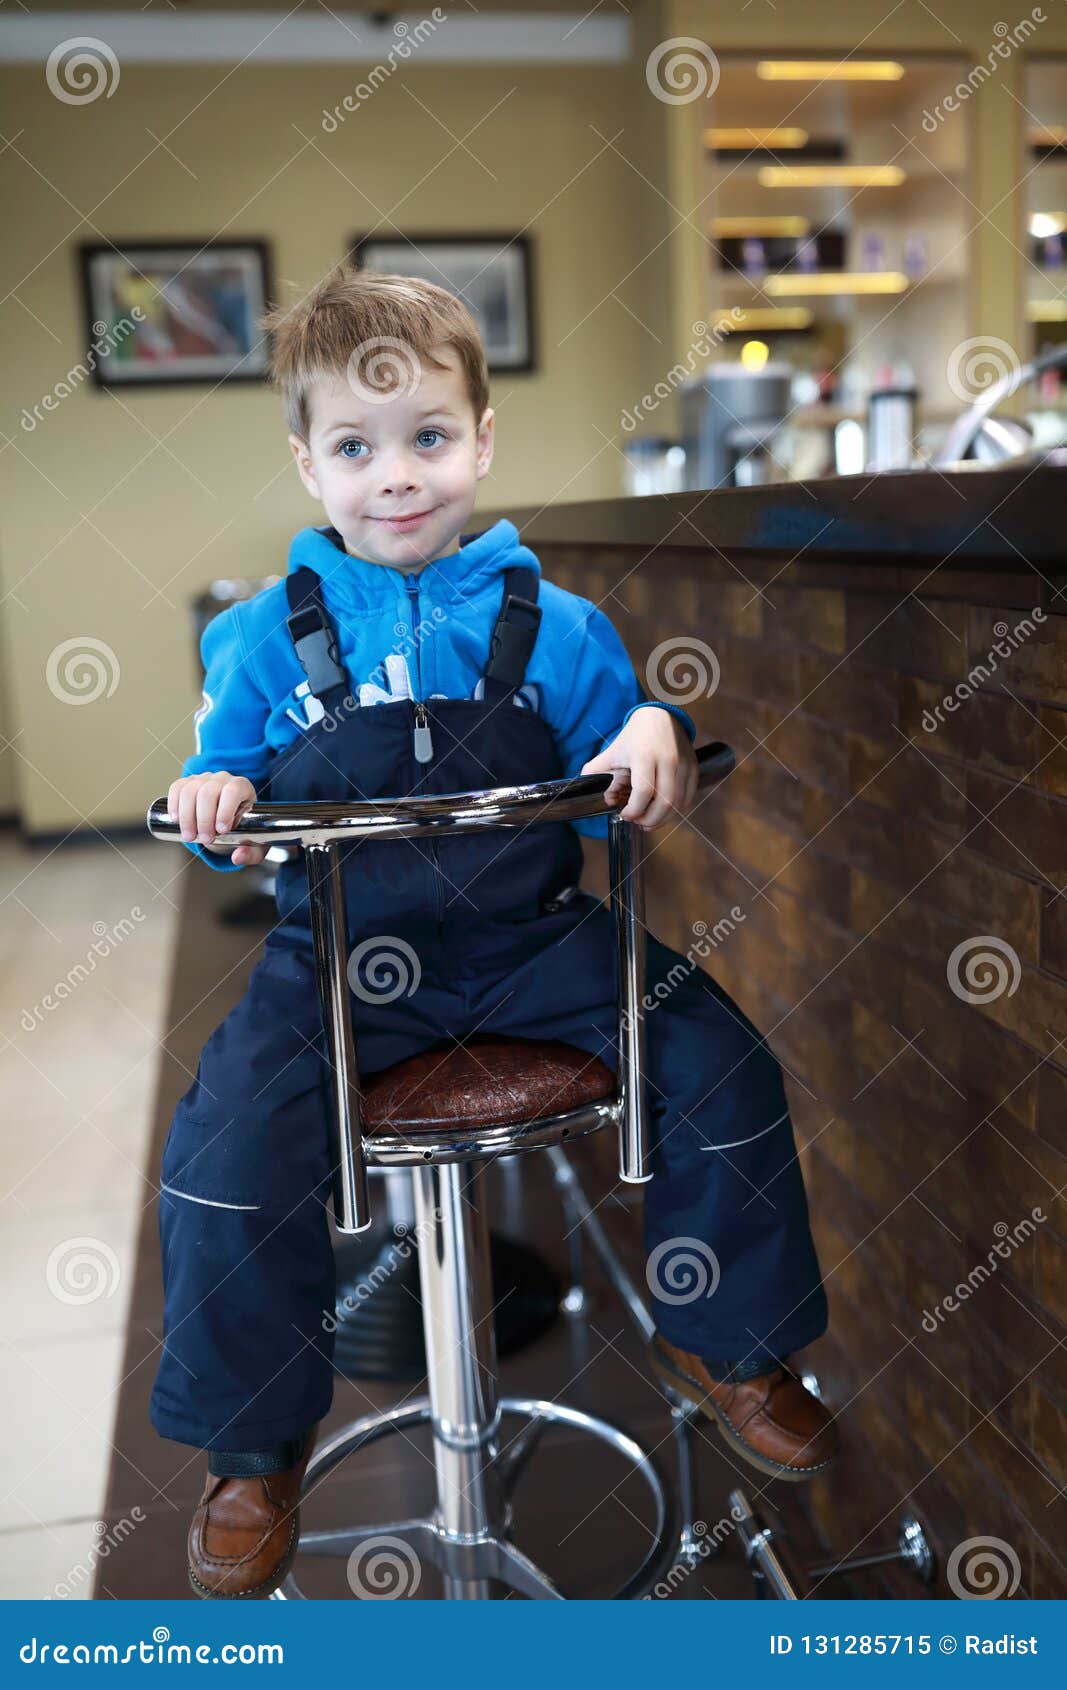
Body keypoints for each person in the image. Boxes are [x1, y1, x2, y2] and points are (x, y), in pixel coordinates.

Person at [154, 265, 837, 1600]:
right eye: (355, 448)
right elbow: (211, 787)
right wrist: (213, 797)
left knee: (722, 1060)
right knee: (225, 1142)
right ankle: (255, 1446)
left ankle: (733, 1341)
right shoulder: (262, 639)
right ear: (308, 461)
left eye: (425, 439)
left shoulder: (557, 625)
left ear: (480, 439)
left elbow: (631, 735)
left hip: (535, 942)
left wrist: (651, 728)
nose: (395, 477)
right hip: (341, 968)